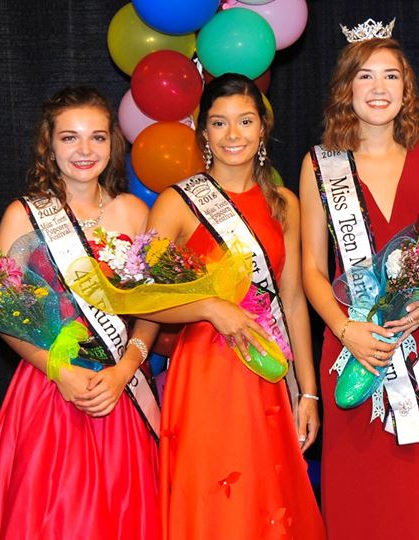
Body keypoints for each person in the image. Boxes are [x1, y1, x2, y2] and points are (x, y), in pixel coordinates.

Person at [0, 87, 160, 539]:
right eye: (69, 138)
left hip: (120, 390)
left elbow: (155, 309)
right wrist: (59, 370)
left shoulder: (133, 212)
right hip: (49, 388)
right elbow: (5, 315)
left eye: (97, 137)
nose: (84, 150)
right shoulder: (23, 215)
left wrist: (125, 369)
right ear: (49, 146)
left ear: (113, 143)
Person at [298, 22, 419, 539]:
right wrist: (347, 331)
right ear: (346, 87)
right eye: (365, 75)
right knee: (357, 490)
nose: (379, 88)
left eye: (391, 75)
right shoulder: (319, 164)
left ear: (406, 86)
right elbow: (311, 269)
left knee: (418, 486)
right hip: (351, 347)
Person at [145, 73, 324, 539]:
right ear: (203, 131)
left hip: (268, 369)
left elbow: (293, 301)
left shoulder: (283, 202)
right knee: (214, 495)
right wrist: (209, 307)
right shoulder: (177, 202)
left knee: (268, 498)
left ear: (263, 127)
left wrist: (307, 391)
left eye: (245, 121)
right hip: (206, 373)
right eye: (219, 123)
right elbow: (142, 298)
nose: (233, 135)